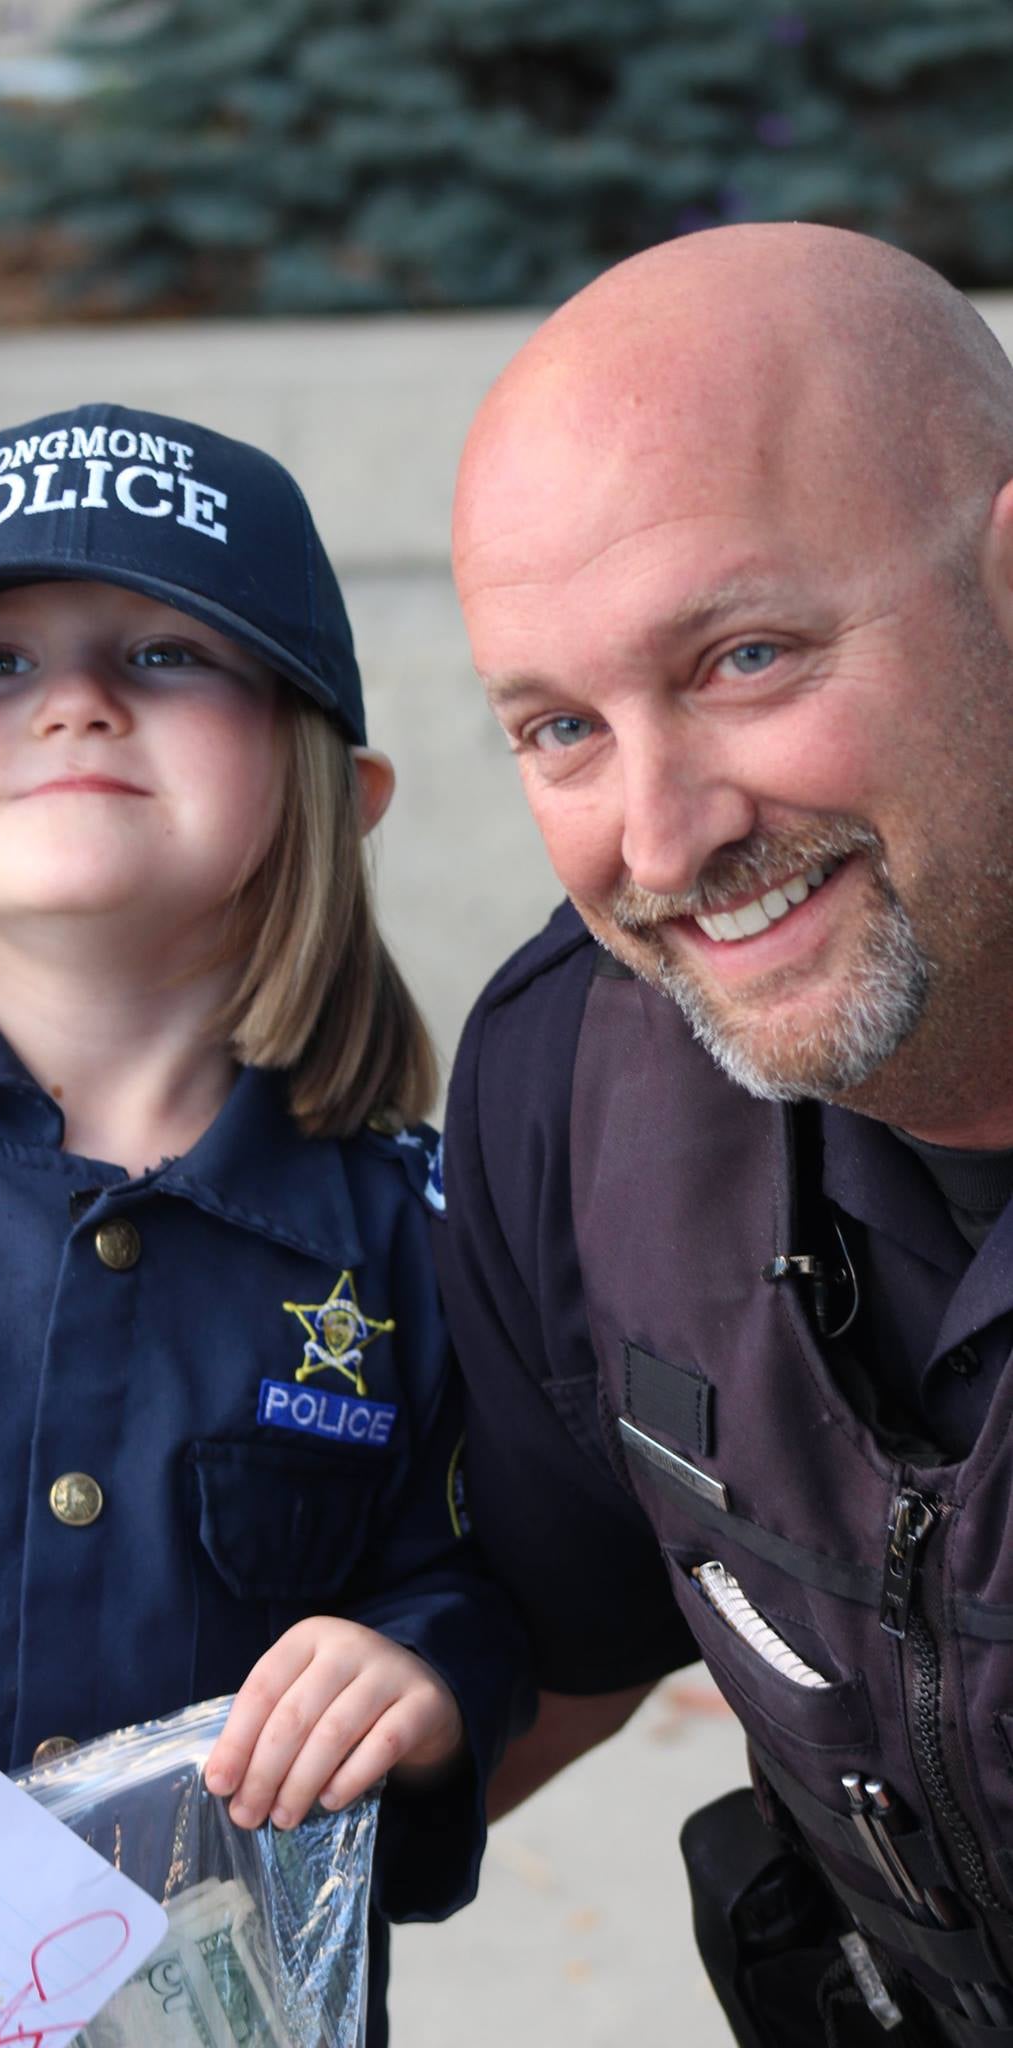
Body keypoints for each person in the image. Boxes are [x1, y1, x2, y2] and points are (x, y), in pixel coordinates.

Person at [0, 401, 529, 2041]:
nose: (72, 701)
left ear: (334, 784)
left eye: (167, 653)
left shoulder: (421, 1240)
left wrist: (422, 1681)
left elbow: (477, 1584)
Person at [440, 221, 1013, 2047]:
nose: (661, 840)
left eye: (744, 656)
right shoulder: (577, 1089)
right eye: (557, 731)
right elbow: (527, 1650)